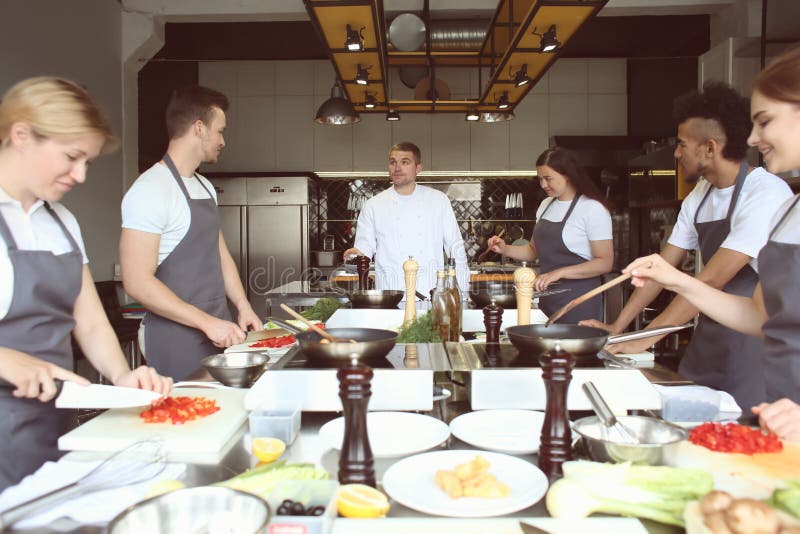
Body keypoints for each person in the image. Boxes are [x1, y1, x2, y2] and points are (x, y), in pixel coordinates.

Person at [0, 77, 172, 490]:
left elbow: (90, 321)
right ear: (21, 135)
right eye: (72, 157)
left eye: (88, 163)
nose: (79, 175)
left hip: (52, 419)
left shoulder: (61, 221)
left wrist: (122, 376)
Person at [623, 46, 800, 438]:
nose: (752, 138)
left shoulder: (768, 194)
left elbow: (719, 280)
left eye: (765, 121)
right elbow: (761, 317)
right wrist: (676, 280)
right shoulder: (792, 211)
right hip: (781, 404)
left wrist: (645, 335)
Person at [586, 81, 792, 410]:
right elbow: (659, 270)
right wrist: (618, 326)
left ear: (709, 148)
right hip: (708, 337)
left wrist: (646, 337)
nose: (676, 153)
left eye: (681, 144)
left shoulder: (765, 194)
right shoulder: (700, 195)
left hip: (748, 349)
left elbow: (711, 280)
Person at [120, 85, 261, 381]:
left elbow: (220, 254)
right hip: (175, 337)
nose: (223, 140)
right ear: (199, 128)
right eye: (220, 131)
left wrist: (243, 306)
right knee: (183, 420)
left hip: (219, 329)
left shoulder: (204, 186)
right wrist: (206, 323)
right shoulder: (150, 189)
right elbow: (136, 282)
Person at [487, 147, 614, 323]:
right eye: (540, 179)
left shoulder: (592, 209)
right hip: (548, 301)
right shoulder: (546, 204)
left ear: (568, 175)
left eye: (548, 178)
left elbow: (605, 263)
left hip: (579, 303)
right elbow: (533, 250)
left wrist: (559, 273)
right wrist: (504, 249)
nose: (543, 185)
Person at [342, 142, 469, 296]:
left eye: (405, 162)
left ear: (418, 169)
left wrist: (463, 294)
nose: (397, 168)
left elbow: (456, 249)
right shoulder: (373, 205)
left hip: (431, 294)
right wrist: (353, 259)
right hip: (389, 296)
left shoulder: (438, 201)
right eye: (393, 162)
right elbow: (362, 254)